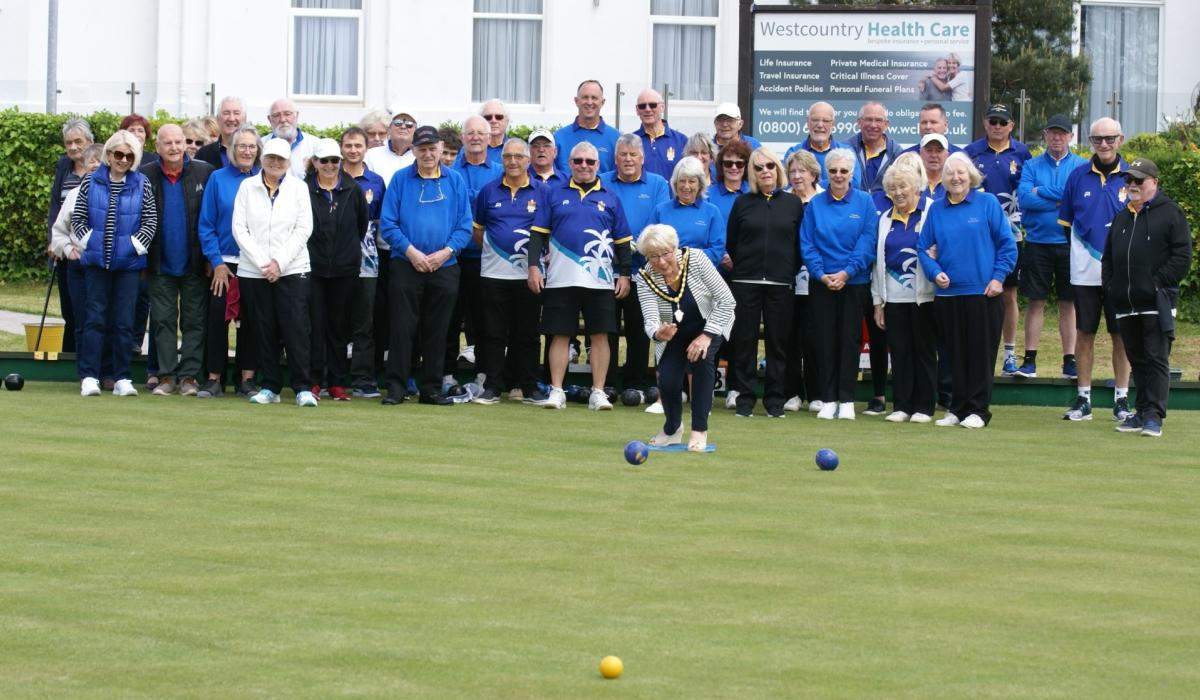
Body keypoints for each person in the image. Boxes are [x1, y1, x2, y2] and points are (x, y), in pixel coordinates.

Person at [526, 141, 634, 410]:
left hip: (599, 281)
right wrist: (533, 267)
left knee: (600, 336)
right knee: (559, 335)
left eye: (589, 161)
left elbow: (623, 241)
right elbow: (538, 234)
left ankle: (598, 392)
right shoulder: (553, 193)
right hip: (561, 278)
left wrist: (624, 275)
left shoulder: (611, 197)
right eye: (578, 161)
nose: (584, 166)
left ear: (598, 165)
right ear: (569, 163)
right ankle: (557, 391)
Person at [918, 153, 1017, 428]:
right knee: (953, 356)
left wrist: (998, 278)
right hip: (948, 295)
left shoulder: (987, 203)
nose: (956, 178)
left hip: (983, 294)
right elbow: (923, 249)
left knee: (979, 355)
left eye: (961, 172)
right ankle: (957, 408)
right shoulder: (936, 210)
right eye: (950, 173)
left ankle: (978, 411)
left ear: (970, 175)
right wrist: (935, 272)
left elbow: (1007, 245)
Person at [379, 125, 473, 406]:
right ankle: (396, 388)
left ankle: (431, 389)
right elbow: (388, 224)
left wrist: (445, 253)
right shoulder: (400, 179)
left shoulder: (455, 180)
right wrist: (412, 253)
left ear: (441, 149)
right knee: (402, 328)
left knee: (438, 330)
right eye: (422, 149)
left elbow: (464, 226)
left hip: (445, 265)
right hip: (406, 263)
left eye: (433, 148)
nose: (428, 154)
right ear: (414, 151)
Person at [1103, 158, 1192, 437]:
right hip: (1126, 302)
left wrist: (1155, 284)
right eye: (1129, 180)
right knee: (1137, 359)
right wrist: (1113, 287)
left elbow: (1182, 256)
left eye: (1138, 180)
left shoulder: (1171, 213)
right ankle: (1141, 412)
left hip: (1157, 301)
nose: (1132, 185)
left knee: (1156, 358)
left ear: (1154, 182)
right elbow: (1108, 258)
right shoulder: (1122, 217)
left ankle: (1154, 416)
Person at [69, 130, 158, 397]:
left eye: (129, 156)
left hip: (128, 265)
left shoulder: (142, 183)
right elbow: (78, 218)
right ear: (108, 154)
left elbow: (150, 221)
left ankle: (122, 377)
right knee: (94, 319)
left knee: (124, 322)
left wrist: (134, 246)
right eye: (119, 154)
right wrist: (89, 242)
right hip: (96, 263)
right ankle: (89, 376)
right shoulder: (90, 181)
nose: (123, 160)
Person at [1058, 117, 1133, 421]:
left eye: (1110, 138)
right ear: (1089, 141)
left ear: (1120, 139)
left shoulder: (1133, 176)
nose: (1104, 144)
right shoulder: (1076, 177)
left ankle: (1122, 400)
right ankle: (1084, 399)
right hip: (1085, 271)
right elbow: (1066, 225)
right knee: (1084, 332)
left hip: (1122, 274)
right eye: (1097, 139)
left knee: (1121, 335)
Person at [636, 224, 736, 452]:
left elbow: (727, 301)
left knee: (701, 361)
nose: (661, 261)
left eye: (665, 253)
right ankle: (672, 428)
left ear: (675, 248)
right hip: (675, 333)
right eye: (653, 256)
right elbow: (650, 319)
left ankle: (699, 430)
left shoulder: (697, 259)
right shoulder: (644, 277)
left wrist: (706, 336)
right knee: (668, 379)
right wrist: (658, 333)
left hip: (710, 323)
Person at [233, 138, 315, 406]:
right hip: (254, 271)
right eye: (271, 158)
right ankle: (270, 386)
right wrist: (263, 263)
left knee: (295, 329)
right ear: (262, 160)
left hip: (292, 268)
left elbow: (303, 228)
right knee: (263, 328)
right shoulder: (247, 187)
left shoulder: (299, 188)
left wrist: (279, 262)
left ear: (288, 162)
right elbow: (240, 229)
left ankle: (302, 388)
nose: (275, 163)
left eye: (280, 159)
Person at [800, 149, 879, 420]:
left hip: (854, 282)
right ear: (826, 173)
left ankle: (846, 399)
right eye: (833, 171)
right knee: (824, 340)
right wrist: (821, 274)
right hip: (821, 283)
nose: (838, 175)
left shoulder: (865, 202)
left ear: (852, 173)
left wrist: (847, 272)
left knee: (849, 340)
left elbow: (867, 242)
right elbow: (807, 243)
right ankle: (828, 398)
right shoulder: (815, 205)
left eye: (844, 171)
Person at [725, 147, 803, 418]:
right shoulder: (742, 203)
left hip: (780, 284)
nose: (765, 171)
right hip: (745, 281)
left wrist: (785, 270)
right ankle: (745, 399)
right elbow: (732, 242)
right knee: (744, 342)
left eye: (770, 166)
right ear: (752, 173)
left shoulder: (793, 203)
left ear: (778, 169)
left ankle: (774, 401)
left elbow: (799, 245)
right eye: (758, 168)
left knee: (778, 344)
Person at [470, 138, 547, 405]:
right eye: (507, 157)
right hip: (493, 274)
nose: (512, 161)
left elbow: (548, 231)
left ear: (528, 160)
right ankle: (492, 386)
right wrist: (498, 252)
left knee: (527, 333)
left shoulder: (542, 192)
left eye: (518, 156)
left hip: (529, 275)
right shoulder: (488, 191)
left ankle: (529, 386)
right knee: (493, 333)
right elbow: (478, 230)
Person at [141, 124, 214, 397]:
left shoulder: (205, 172)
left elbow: (212, 217)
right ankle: (167, 376)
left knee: (194, 322)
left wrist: (211, 258)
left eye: (178, 142)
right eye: (167, 143)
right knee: (162, 321)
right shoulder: (144, 175)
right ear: (157, 147)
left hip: (195, 262)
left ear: (185, 144)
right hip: (159, 263)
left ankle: (189, 377)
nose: (174, 147)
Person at [1014, 114, 1087, 380]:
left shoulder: (1081, 166)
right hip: (1037, 242)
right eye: (1052, 133)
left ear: (1070, 137)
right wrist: (1061, 198)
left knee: (1069, 303)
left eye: (1062, 133)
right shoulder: (1031, 165)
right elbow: (1025, 200)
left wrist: (1042, 191)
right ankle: (1029, 361)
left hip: (1069, 243)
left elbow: (1077, 200)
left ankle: (1069, 361)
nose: (1057, 137)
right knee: (1036, 301)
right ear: (1045, 135)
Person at [599, 134, 671, 393]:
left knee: (639, 331)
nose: (628, 159)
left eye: (633, 155)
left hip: (644, 272)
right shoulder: (602, 181)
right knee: (606, 330)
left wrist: (631, 246)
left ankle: (635, 385)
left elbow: (658, 224)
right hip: (605, 271)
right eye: (623, 154)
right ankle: (606, 385)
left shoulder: (658, 184)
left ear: (642, 158)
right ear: (615, 158)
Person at [196, 124, 262, 398]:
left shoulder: (265, 178)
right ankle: (214, 378)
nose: (246, 151)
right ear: (232, 150)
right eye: (241, 146)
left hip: (254, 263)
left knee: (252, 321)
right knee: (217, 319)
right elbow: (206, 224)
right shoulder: (218, 179)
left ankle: (246, 379)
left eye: (251, 146)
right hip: (223, 262)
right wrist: (216, 262)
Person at [965, 104, 1032, 376]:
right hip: (977, 231)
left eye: (1002, 122)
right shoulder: (971, 152)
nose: (997, 126)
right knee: (975, 290)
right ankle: (976, 352)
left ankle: (1009, 354)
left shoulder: (1022, 153)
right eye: (992, 121)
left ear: (1011, 125)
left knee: (1008, 292)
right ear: (985, 123)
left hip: (1011, 232)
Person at [871, 153, 936, 423]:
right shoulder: (885, 218)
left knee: (923, 352)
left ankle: (924, 407)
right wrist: (878, 302)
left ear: (915, 187)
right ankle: (902, 405)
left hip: (925, 296)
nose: (898, 192)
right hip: (893, 298)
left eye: (903, 186)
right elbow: (878, 261)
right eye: (893, 188)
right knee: (899, 352)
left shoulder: (931, 211)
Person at [305, 138, 369, 402]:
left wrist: (345, 254)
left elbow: (361, 226)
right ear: (315, 162)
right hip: (313, 269)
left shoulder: (353, 190)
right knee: (314, 326)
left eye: (334, 160)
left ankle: (337, 382)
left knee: (339, 328)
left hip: (345, 270)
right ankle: (313, 381)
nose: (330, 165)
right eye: (324, 161)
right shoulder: (303, 189)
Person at [447, 116, 504, 383]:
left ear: (489, 137)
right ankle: (446, 374)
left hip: (487, 259)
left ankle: (484, 374)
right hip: (453, 257)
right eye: (470, 133)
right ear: (462, 137)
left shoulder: (500, 172)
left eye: (481, 133)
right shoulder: (449, 170)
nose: (475, 137)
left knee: (486, 321)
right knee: (449, 318)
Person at [339, 126, 386, 398]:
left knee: (364, 323)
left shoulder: (376, 182)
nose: (353, 150)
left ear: (366, 148)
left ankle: (363, 379)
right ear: (341, 148)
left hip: (368, 262)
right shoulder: (331, 175)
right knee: (334, 320)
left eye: (358, 145)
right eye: (348, 145)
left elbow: (380, 223)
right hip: (335, 261)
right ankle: (330, 377)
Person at [47, 118, 95, 353]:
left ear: (90, 141)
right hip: (66, 247)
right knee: (70, 309)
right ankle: (71, 356)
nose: (73, 147)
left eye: (78, 141)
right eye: (69, 143)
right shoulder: (64, 166)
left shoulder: (100, 165)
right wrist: (54, 242)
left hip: (92, 249)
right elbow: (56, 206)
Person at [782, 149, 822, 413]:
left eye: (802, 171)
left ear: (813, 174)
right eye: (793, 171)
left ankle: (817, 393)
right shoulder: (784, 200)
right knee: (789, 337)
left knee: (815, 338)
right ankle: (792, 392)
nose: (797, 176)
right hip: (788, 279)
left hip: (818, 279)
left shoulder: (822, 200)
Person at [784, 102, 861, 189]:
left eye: (826, 121)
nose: (820, 125)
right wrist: (835, 182)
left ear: (833, 124)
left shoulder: (846, 152)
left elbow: (855, 183)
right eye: (815, 120)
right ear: (808, 122)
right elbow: (785, 184)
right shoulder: (794, 152)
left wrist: (811, 184)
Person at [554, 80, 621, 173]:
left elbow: (618, 175)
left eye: (594, 98)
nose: (589, 102)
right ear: (576, 101)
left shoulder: (615, 138)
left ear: (602, 102)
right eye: (585, 97)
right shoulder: (559, 137)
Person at [633, 88, 688, 181]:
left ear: (662, 107)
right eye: (642, 106)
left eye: (652, 105)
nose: (647, 109)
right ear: (637, 110)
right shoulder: (630, 142)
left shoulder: (681, 141)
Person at [847, 102, 903, 193]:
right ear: (859, 123)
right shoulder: (846, 149)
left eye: (878, 120)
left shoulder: (897, 153)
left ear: (886, 124)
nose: (873, 125)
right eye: (868, 119)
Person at [263, 97, 318, 178]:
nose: (282, 119)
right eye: (276, 115)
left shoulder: (315, 145)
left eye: (287, 114)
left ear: (297, 115)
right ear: (269, 119)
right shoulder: (261, 145)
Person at [195, 96, 246, 169]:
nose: (231, 118)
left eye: (236, 113)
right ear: (218, 119)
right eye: (226, 113)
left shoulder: (256, 153)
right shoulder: (204, 154)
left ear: (244, 118)